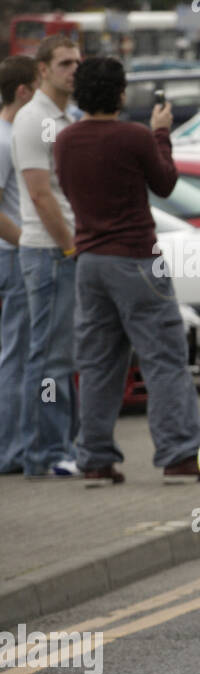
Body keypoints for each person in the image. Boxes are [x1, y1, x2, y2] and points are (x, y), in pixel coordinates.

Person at [52, 56, 200, 485]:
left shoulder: (64, 140)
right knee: (165, 357)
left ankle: (95, 458)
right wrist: (161, 133)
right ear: (120, 93)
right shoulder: (134, 137)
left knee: (98, 363)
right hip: (136, 257)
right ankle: (178, 455)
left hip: (90, 262)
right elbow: (166, 183)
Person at [11, 34, 82, 478]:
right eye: (64, 63)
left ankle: (59, 447)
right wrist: (70, 246)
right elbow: (40, 195)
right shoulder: (34, 120)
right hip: (49, 252)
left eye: (77, 62)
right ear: (41, 70)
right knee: (50, 358)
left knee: (61, 356)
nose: (74, 70)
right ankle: (47, 453)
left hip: (61, 251)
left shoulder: (62, 116)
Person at [0, 56, 37, 475]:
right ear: (23, 92)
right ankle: (10, 452)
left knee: (22, 355)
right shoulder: (5, 138)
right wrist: (30, 245)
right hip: (13, 256)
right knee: (18, 355)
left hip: (14, 255)